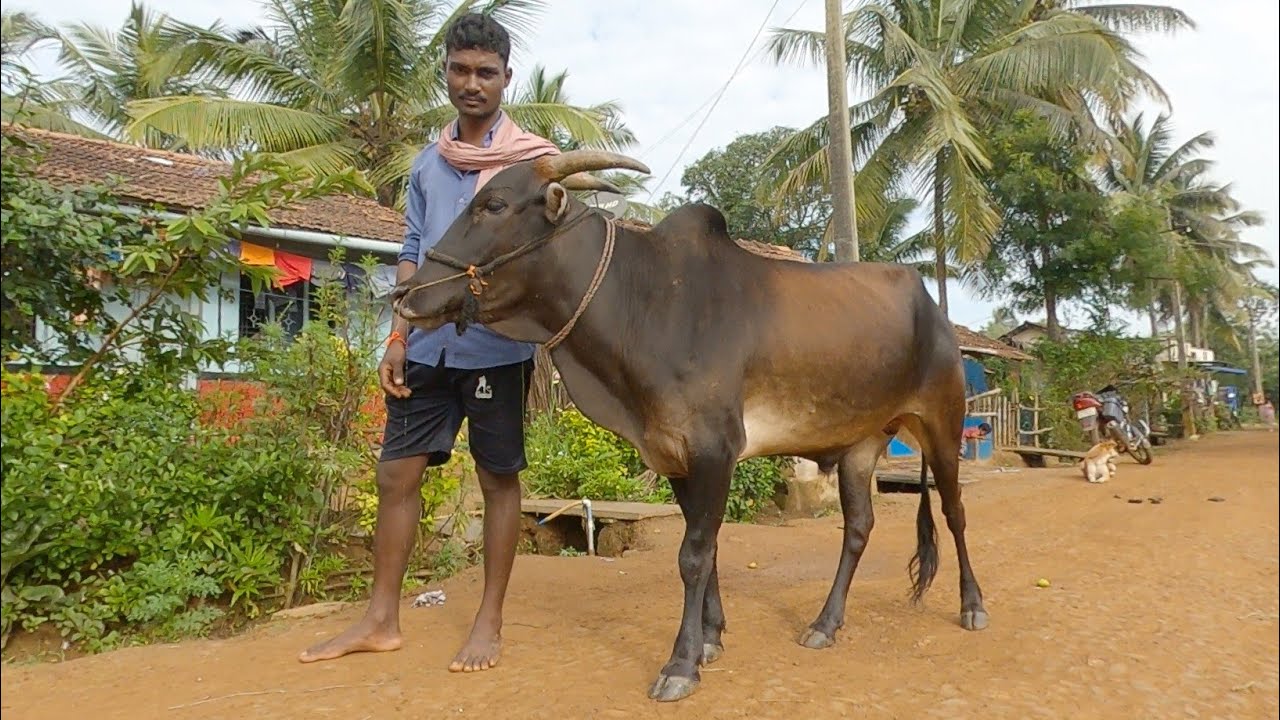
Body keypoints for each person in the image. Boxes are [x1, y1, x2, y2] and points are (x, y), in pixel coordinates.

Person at [299, 12, 562, 673]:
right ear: (444, 72)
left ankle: (489, 620)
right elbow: (412, 249)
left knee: (498, 480)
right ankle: (381, 620)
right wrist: (399, 332)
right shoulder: (428, 163)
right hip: (425, 348)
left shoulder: (533, 164)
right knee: (396, 474)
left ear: (507, 78)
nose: (472, 83)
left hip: (497, 349)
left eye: (486, 72)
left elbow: (549, 256)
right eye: (460, 70)